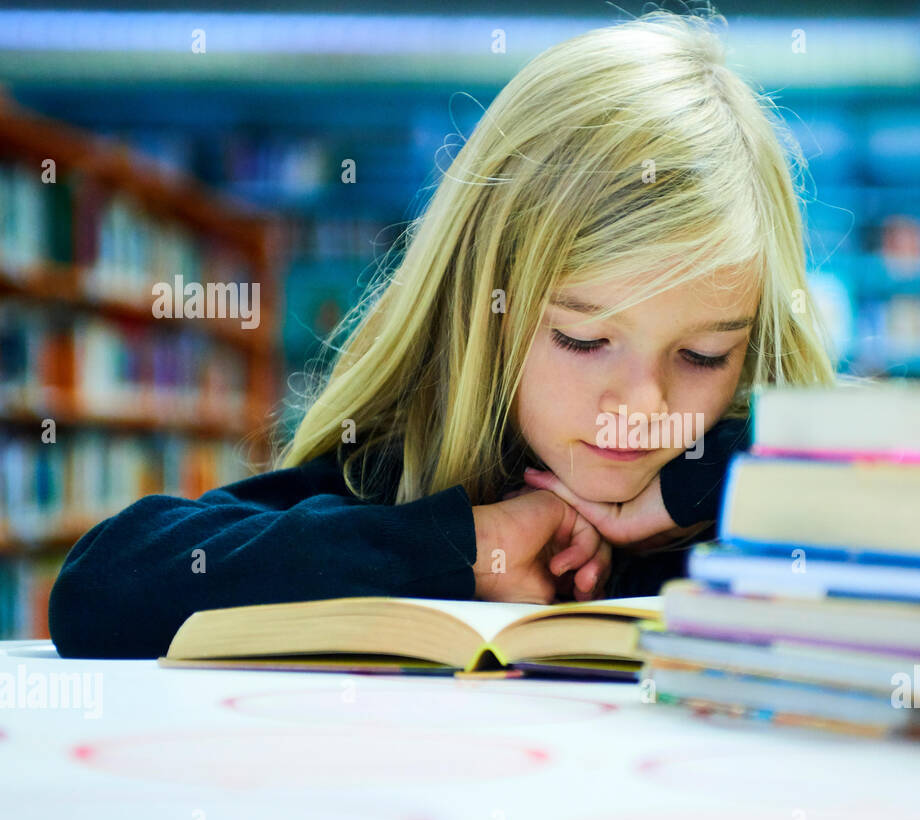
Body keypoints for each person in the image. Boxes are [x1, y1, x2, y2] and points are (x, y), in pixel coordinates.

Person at [47, 8, 838, 659]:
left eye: (704, 355)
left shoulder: (774, 494)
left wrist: (704, 483)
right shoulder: (395, 480)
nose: (644, 404)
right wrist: (464, 545)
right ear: (482, 311)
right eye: (583, 339)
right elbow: (103, 588)